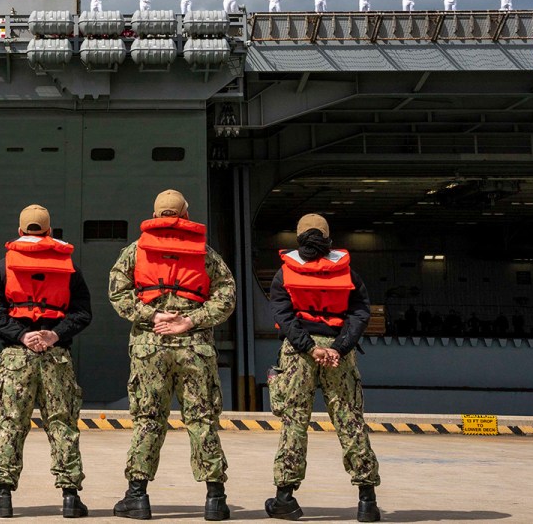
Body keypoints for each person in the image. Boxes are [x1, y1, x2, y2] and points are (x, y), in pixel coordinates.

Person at [108, 190, 236, 522]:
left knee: (148, 419)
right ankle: (215, 499)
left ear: (156, 213)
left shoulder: (135, 251)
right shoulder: (205, 253)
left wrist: (151, 316)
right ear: (185, 215)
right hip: (194, 345)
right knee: (202, 419)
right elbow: (226, 294)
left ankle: (137, 497)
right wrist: (192, 319)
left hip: (150, 346)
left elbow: (118, 293)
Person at [264, 214, 381, 523]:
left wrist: (309, 347)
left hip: (299, 355)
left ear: (298, 238)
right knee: (350, 420)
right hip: (337, 352)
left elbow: (285, 316)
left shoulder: (283, 274)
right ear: (329, 238)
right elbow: (360, 311)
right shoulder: (348, 273)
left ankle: (285, 499)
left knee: (294, 422)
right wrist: (338, 348)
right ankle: (367, 500)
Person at [0, 205, 93, 519]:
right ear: (49, 231)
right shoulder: (69, 267)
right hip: (56, 357)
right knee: (62, 425)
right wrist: (55, 335)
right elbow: (83, 312)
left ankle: (2, 497)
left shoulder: (3, 267)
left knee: (11, 426)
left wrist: (21, 335)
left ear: (20, 231)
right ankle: (70, 498)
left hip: (17, 358)